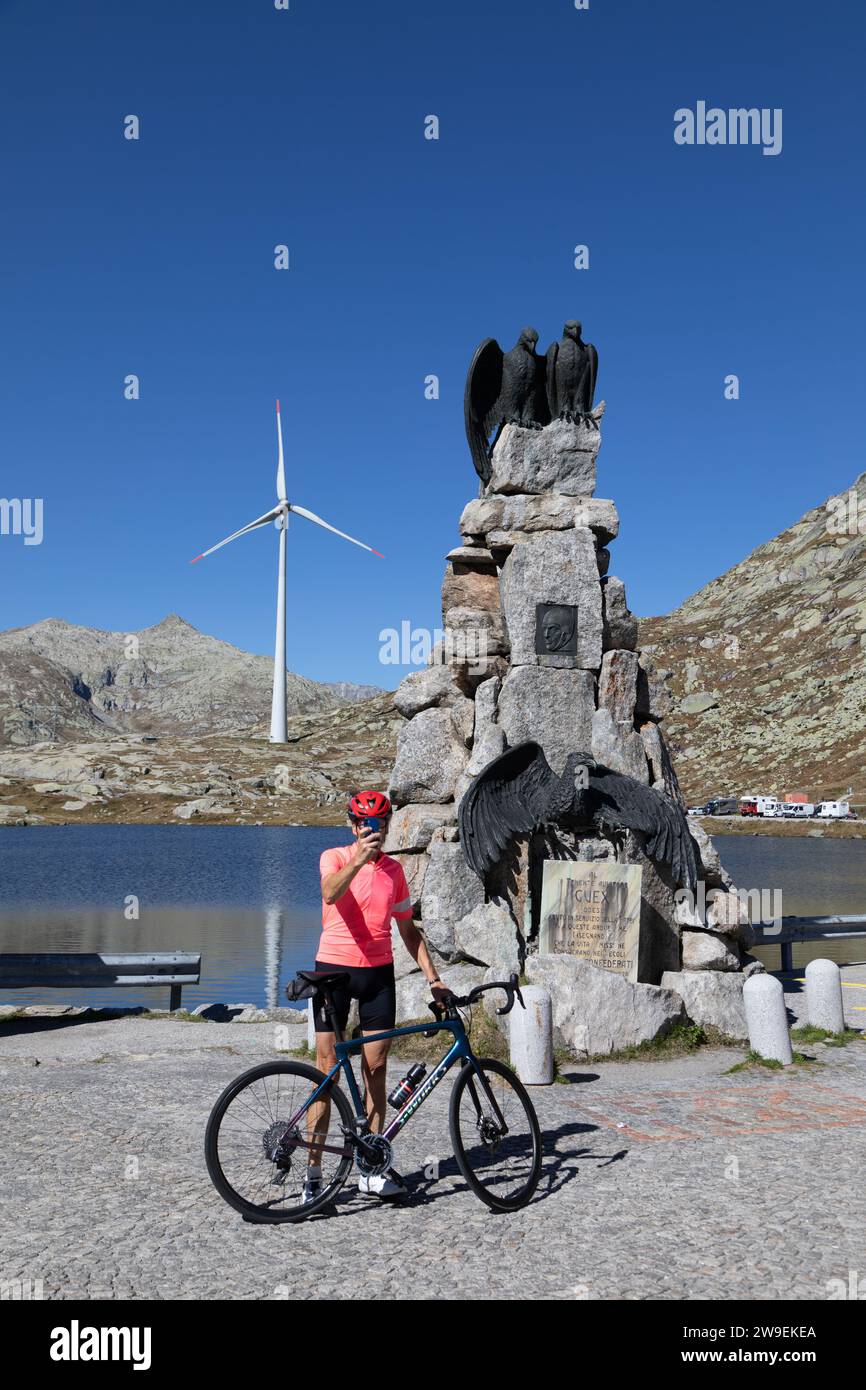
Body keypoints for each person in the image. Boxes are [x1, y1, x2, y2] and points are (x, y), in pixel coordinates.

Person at [304, 789, 450, 1202]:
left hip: (378, 977)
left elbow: (408, 930)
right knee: (326, 1069)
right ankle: (314, 1173)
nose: (374, 830)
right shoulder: (333, 857)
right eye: (366, 823)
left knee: (377, 1068)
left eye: (381, 824)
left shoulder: (395, 872)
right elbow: (330, 893)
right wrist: (359, 858)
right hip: (333, 971)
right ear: (353, 825)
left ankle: (370, 1166)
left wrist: (433, 979)